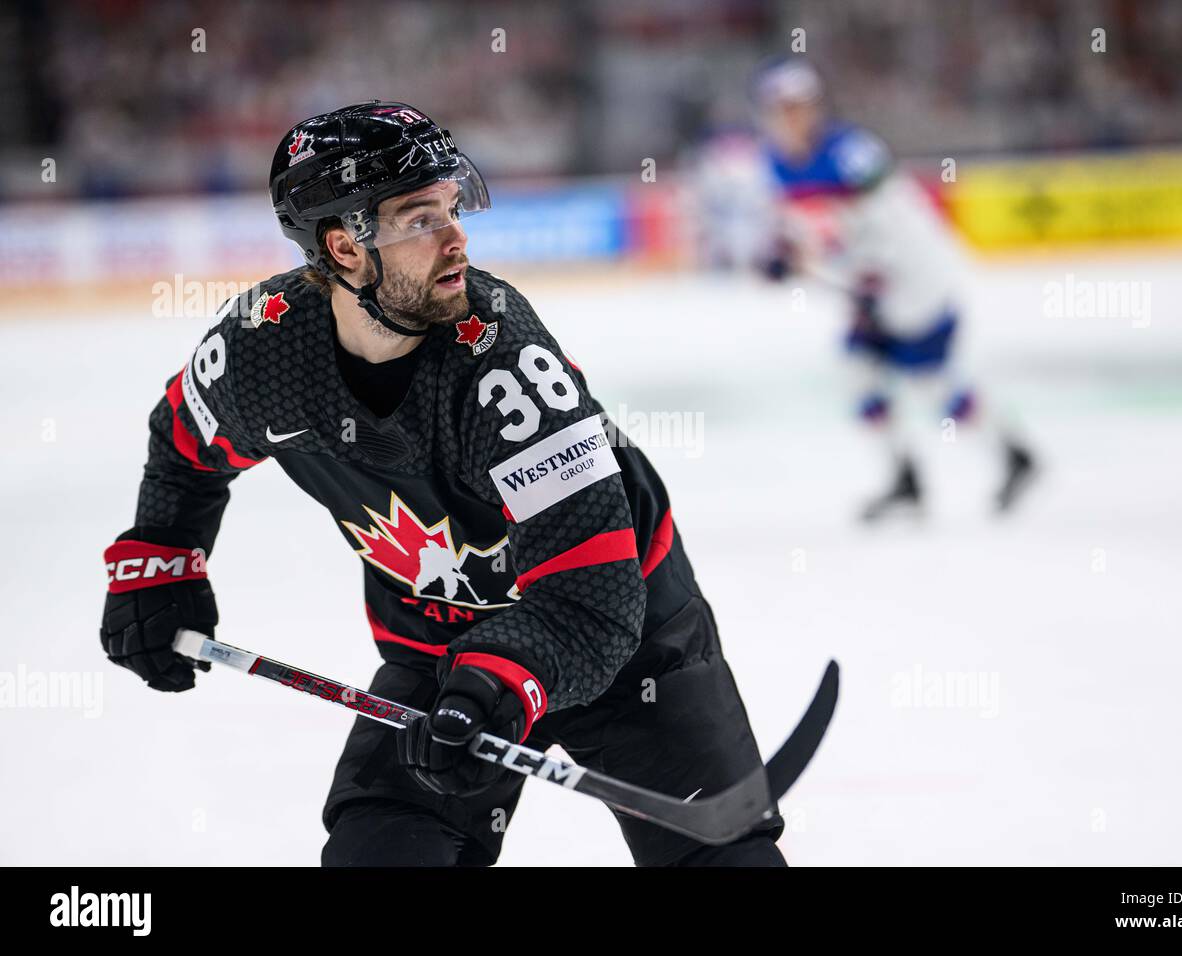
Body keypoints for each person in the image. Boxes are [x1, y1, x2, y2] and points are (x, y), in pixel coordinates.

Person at [99, 101, 784, 867]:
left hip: (633, 644)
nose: (458, 238)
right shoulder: (264, 349)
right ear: (344, 247)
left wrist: (495, 685)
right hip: (441, 652)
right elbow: (185, 440)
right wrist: (162, 554)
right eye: (419, 219)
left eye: (453, 207)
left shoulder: (500, 361)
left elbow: (595, 604)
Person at [751, 58, 1037, 520]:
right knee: (858, 374)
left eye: (798, 106)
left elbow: (891, 220)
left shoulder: (850, 153)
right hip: (871, 286)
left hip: (915, 280)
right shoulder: (777, 164)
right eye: (782, 108)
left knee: (932, 384)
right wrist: (783, 254)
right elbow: (804, 227)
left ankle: (1012, 454)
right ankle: (905, 477)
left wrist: (864, 273)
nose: (791, 117)